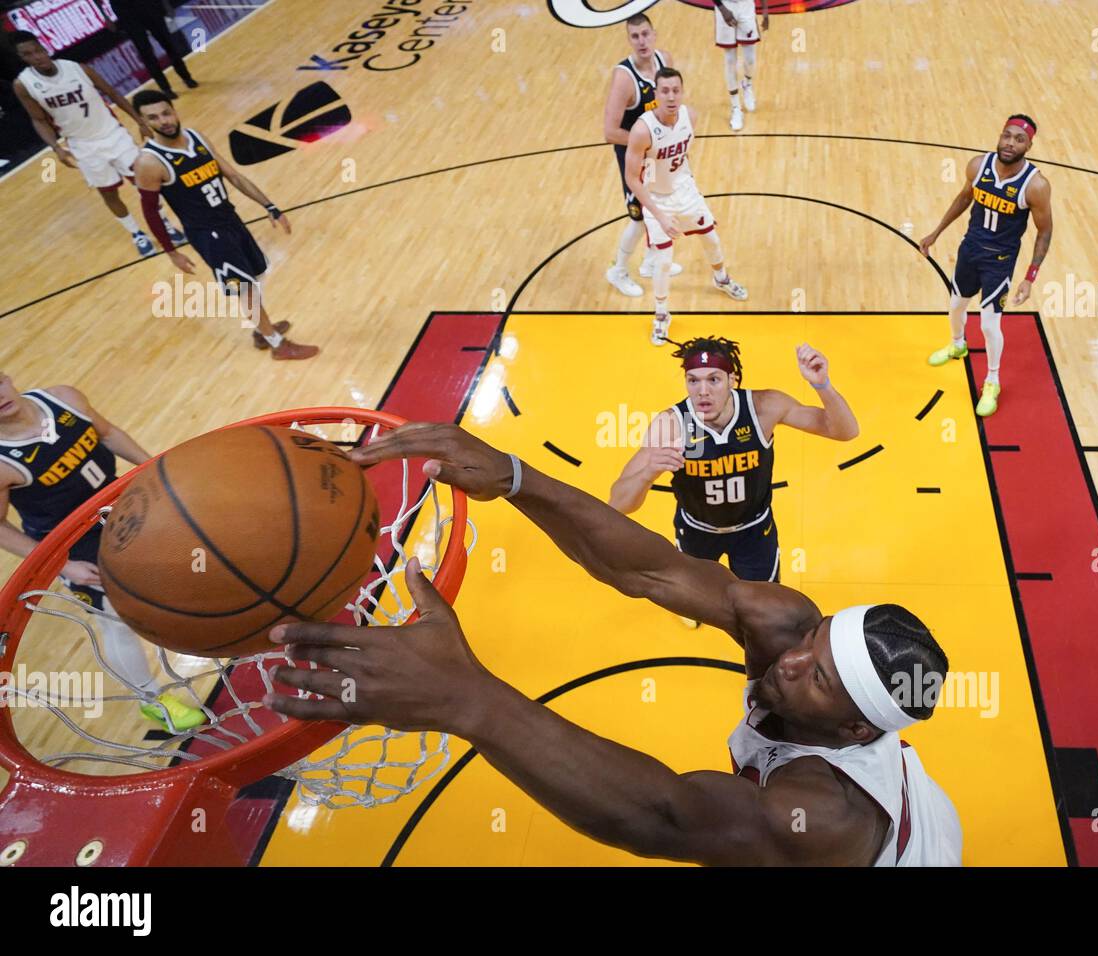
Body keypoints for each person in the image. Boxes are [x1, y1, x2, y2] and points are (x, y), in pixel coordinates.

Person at [266, 423, 962, 866]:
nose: (793, 659)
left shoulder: (824, 816)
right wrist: (515, 477)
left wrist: (465, 699)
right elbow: (649, 568)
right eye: (814, 639)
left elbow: (662, 816)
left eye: (818, 677)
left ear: (854, 728)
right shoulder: (784, 624)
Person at [0, 372, 205, 730]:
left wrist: (153, 467)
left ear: (7, 378)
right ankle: (151, 700)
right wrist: (62, 565)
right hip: (73, 543)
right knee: (116, 622)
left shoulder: (63, 398)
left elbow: (108, 434)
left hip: (121, 509)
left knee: (183, 561)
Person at [609, 337, 858, 588]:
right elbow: (618, 504)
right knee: (698, 600)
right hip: (697, 531)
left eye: (713, 379)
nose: (702, 391)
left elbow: (845, 431)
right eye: (693, 380)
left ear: (732, 380)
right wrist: (648, 473)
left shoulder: (763, 407)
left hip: (754, 530)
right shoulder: (672, 424)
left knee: (762, 602)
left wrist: (822, 385)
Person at [131, 90, 319, 360]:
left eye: (166, 113)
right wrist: (172, 252)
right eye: (153, 118)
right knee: (244, 288)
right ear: (143, 122)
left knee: (256, 276)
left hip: (231, 220)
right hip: (208, 234)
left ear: (174, 110)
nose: (164, 121)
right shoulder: (149, 162)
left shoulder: (196, 138)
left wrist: (270, 206)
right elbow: (150, 212)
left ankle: (262, 329)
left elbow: (233, 175)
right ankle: (277, 344)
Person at [918, 114, 1054, 417]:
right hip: (970, 250)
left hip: (1000, 261)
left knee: (989, 324)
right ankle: (957, 345)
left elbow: (1044, 231)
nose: (1010, 143)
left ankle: (992, 381)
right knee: (956, 306)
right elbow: (963, 198)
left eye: (1019, 139)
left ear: (1029, 146)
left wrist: (1030, 277)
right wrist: (936, 232)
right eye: (1007, 135)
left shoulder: (1036, 185)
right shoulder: (978, 166)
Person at [10, 30, 185, 257]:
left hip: (114, 135)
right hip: (82, 145)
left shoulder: (77, 68)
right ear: (22, 58)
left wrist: (140, 121)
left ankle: (165, 225)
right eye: (28, 54)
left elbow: (112, 92)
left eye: (37, 51)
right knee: (109, 194)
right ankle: (136, 233)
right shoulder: (24, 84)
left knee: (145, 184)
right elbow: (39, 119)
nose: (36, 57)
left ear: (45, 49)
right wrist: (56, 148)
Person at [624, 68, 747, 346]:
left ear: (682, 92)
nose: (671, 96)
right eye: (665, 91)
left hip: (685, 190)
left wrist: (686, 185)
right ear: (656, 94)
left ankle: (721, 279)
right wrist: (659, 215)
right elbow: (632, 178)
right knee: (663, 261)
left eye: (676, 90)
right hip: (656, 199)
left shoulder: (690, 116)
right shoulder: (642, 130)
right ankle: (661, 314)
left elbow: (679, 157)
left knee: (711, 239)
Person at [601, 12, 683, 298]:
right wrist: (646, 143)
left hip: (656, 154)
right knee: (638, 219)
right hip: (634, 157)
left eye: (645, 34)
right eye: (635, 36)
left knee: (659, 206)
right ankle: (618, 271)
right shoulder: (624, 78)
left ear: (654, 34)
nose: (641, 41)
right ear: (629, 40)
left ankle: (649, 261)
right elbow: (610, 132)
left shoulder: (665, 60)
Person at [101, 0, 198, 100]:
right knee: (145, 52)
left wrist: (166, 5)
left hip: (148, 4)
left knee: (167, 43)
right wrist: (105, 17)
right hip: (125, 11)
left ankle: (186, 77)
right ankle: (165, 88)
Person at [714, 0, 769, 132]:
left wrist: (765, 12)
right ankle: (736, 108)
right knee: (730, 60)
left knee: (750, 59)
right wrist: (722, 8)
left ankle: (747, 84)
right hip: (725, 6)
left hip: (746, 6)